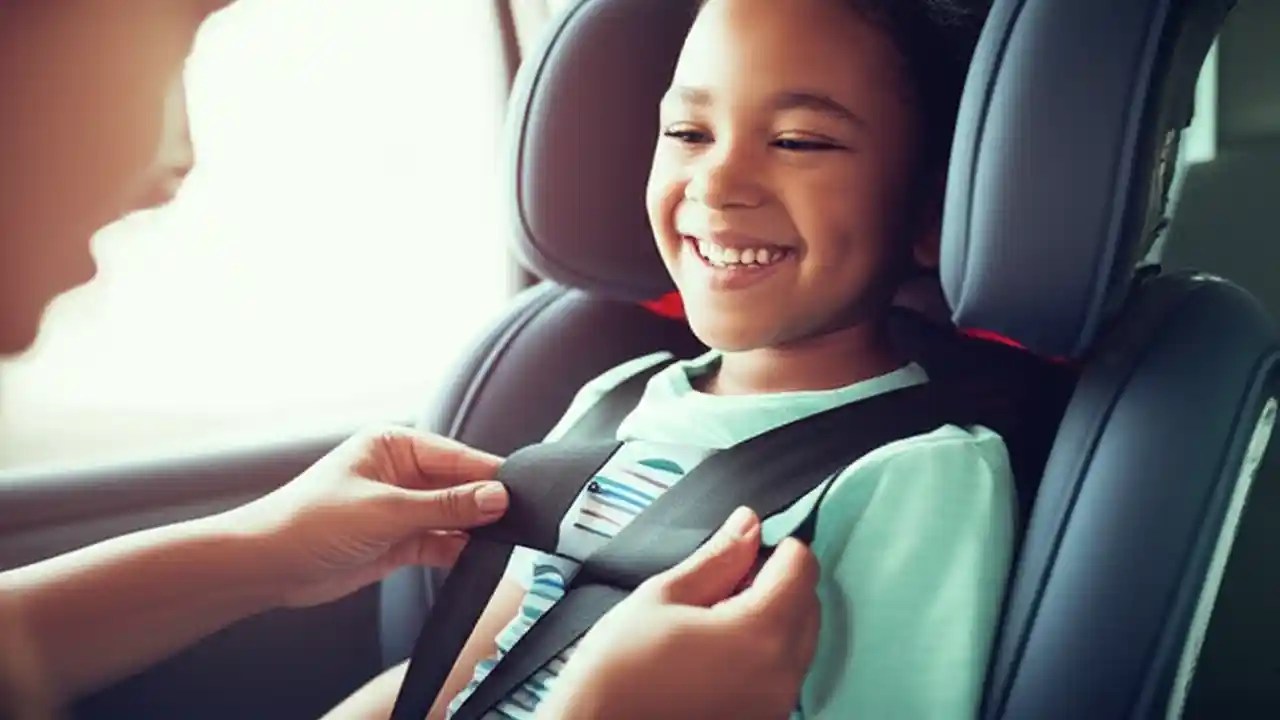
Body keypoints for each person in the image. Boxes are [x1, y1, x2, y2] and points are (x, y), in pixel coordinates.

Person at [0, 1, 821, 719]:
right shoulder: (603, 396)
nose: (176, 163)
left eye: (801, 140)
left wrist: (260, 550)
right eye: (177, 38)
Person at [333, 0, 1011, 717]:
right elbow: (458, 675)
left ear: (930, 210)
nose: (717, 184)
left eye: (798, 141)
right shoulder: (615, 399)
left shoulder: (918, 477)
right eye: (690, 133)